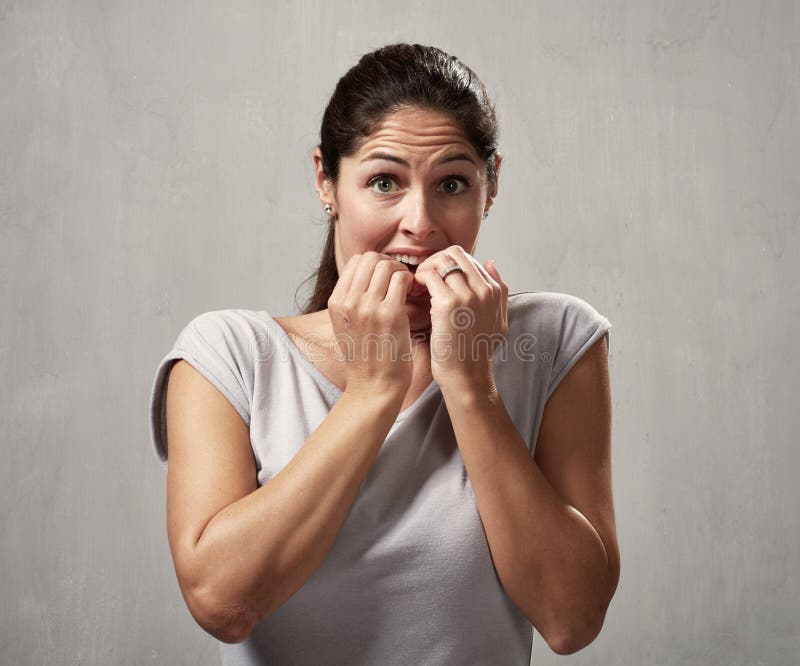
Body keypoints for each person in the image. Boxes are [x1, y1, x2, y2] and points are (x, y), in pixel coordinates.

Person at [149, 43, 620, 665]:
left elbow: (571, 619)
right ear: (326, 180)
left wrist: (471, 386)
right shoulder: (230, 354)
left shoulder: (557, 339)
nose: (420, 223)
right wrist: (373, 393)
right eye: (383, 182)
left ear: (491, 186)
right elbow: (223, 603)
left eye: (452, 183)